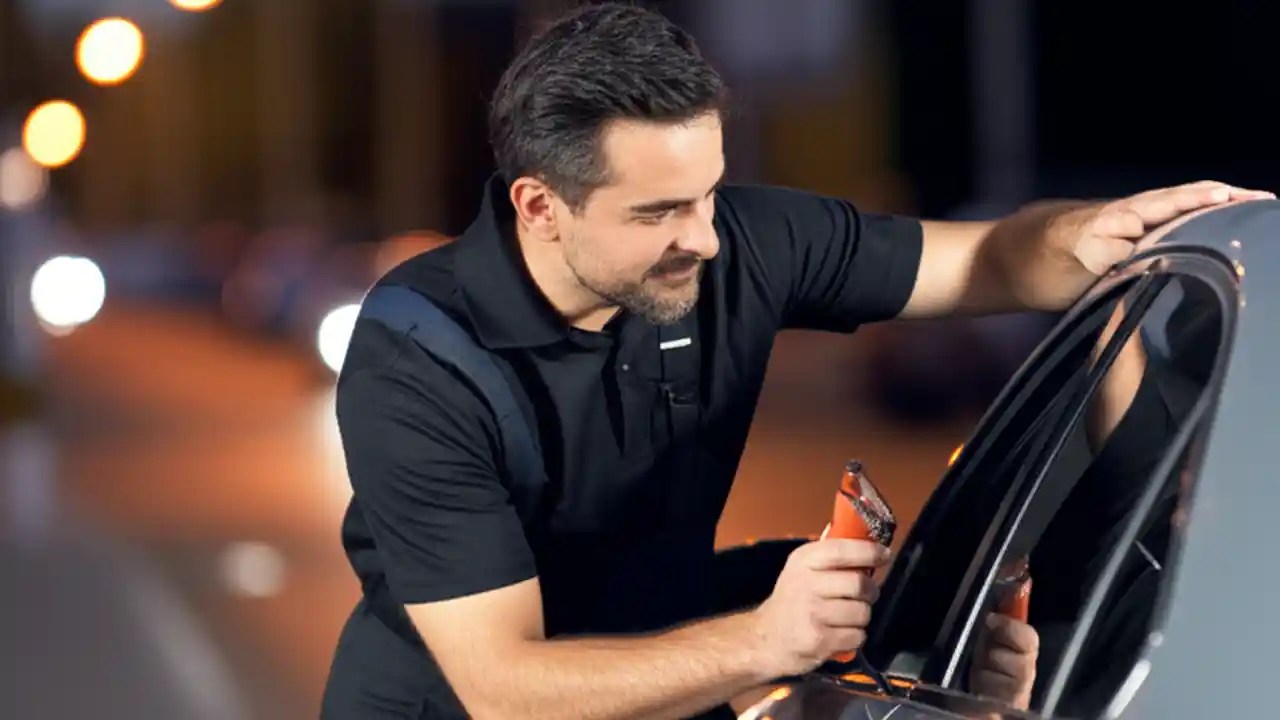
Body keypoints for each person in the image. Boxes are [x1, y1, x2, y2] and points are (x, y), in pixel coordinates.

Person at [319, 4, 1273, 718]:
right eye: (658, 213)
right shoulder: (421, 354)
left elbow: (987, 260)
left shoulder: (733, 239)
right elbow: (505, 687)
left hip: (668, 673)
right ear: (539, 207)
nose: (708, 239)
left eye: (709, 194)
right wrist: (768, 640)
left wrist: (1090, 232)